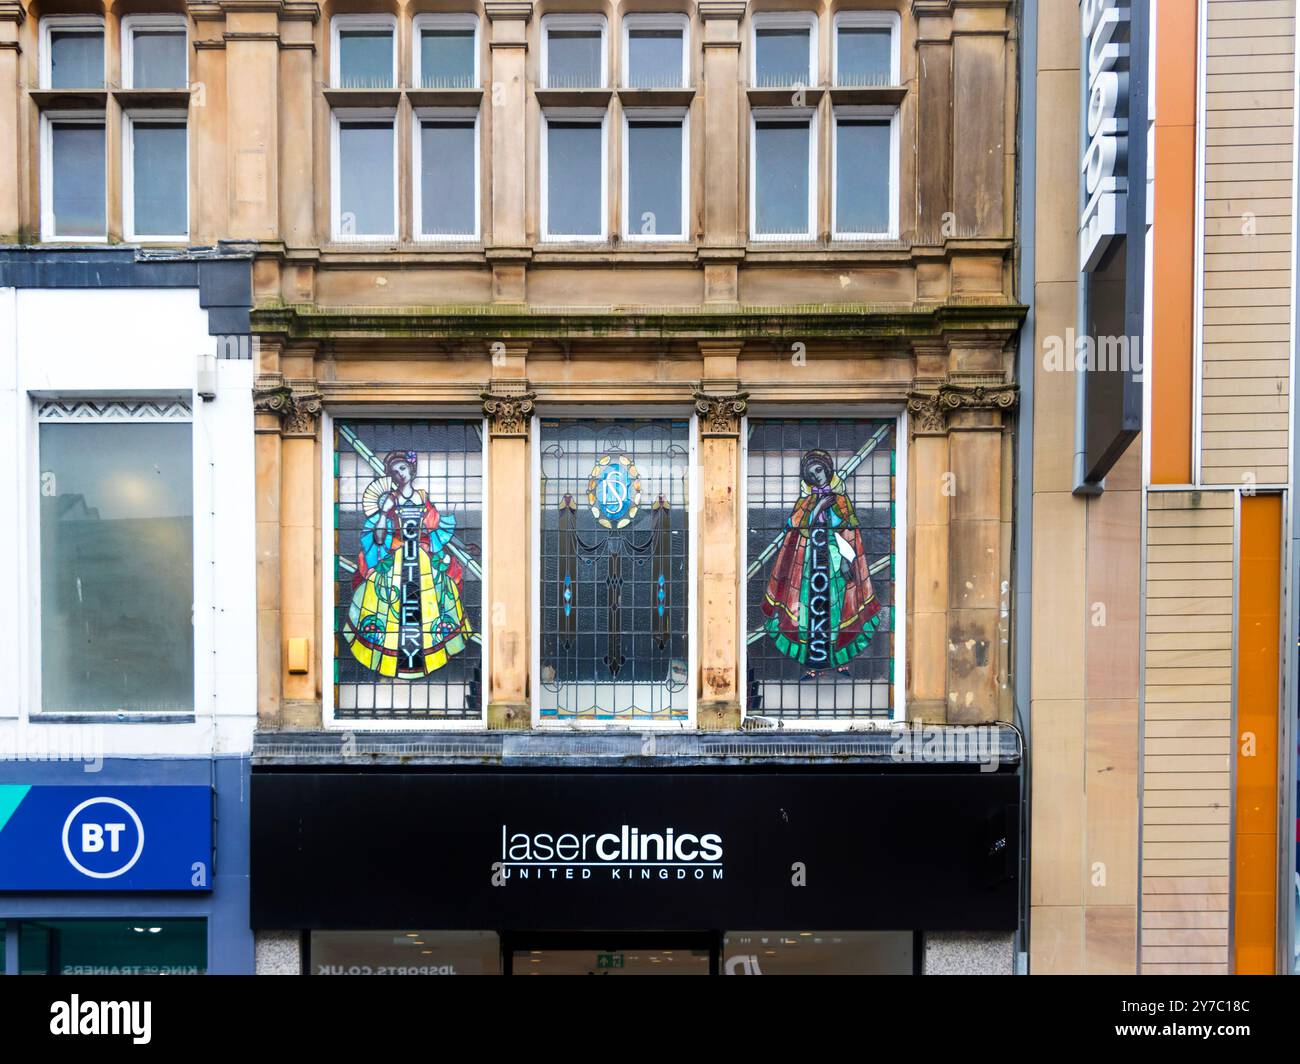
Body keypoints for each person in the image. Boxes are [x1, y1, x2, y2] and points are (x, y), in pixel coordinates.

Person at [343, 449, 470, 677]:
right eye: (394, 472)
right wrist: (384, 512)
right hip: (398, 562)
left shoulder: (422, 497)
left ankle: (428, 654)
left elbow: (438, 528)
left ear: (411, 469)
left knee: (437, 598)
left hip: (422, 561)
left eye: (402, 468)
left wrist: (463, 547)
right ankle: (394, 659)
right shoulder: (389, 501)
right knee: (384, 602)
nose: (399, 474)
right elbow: (379, 537)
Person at [761, 448, 882, 678]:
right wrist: (817, 508)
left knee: (839, 611)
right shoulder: (806, 502)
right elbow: (795, 527)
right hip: (808, 565)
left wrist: (847, 561)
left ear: (827, 469)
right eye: (811, 472)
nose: (816, 475)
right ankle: (813, 664)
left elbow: (848, 532)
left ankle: (839, 660)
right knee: (808, 611)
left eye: (819, 470)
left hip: (836, 565)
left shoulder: (841, 500)